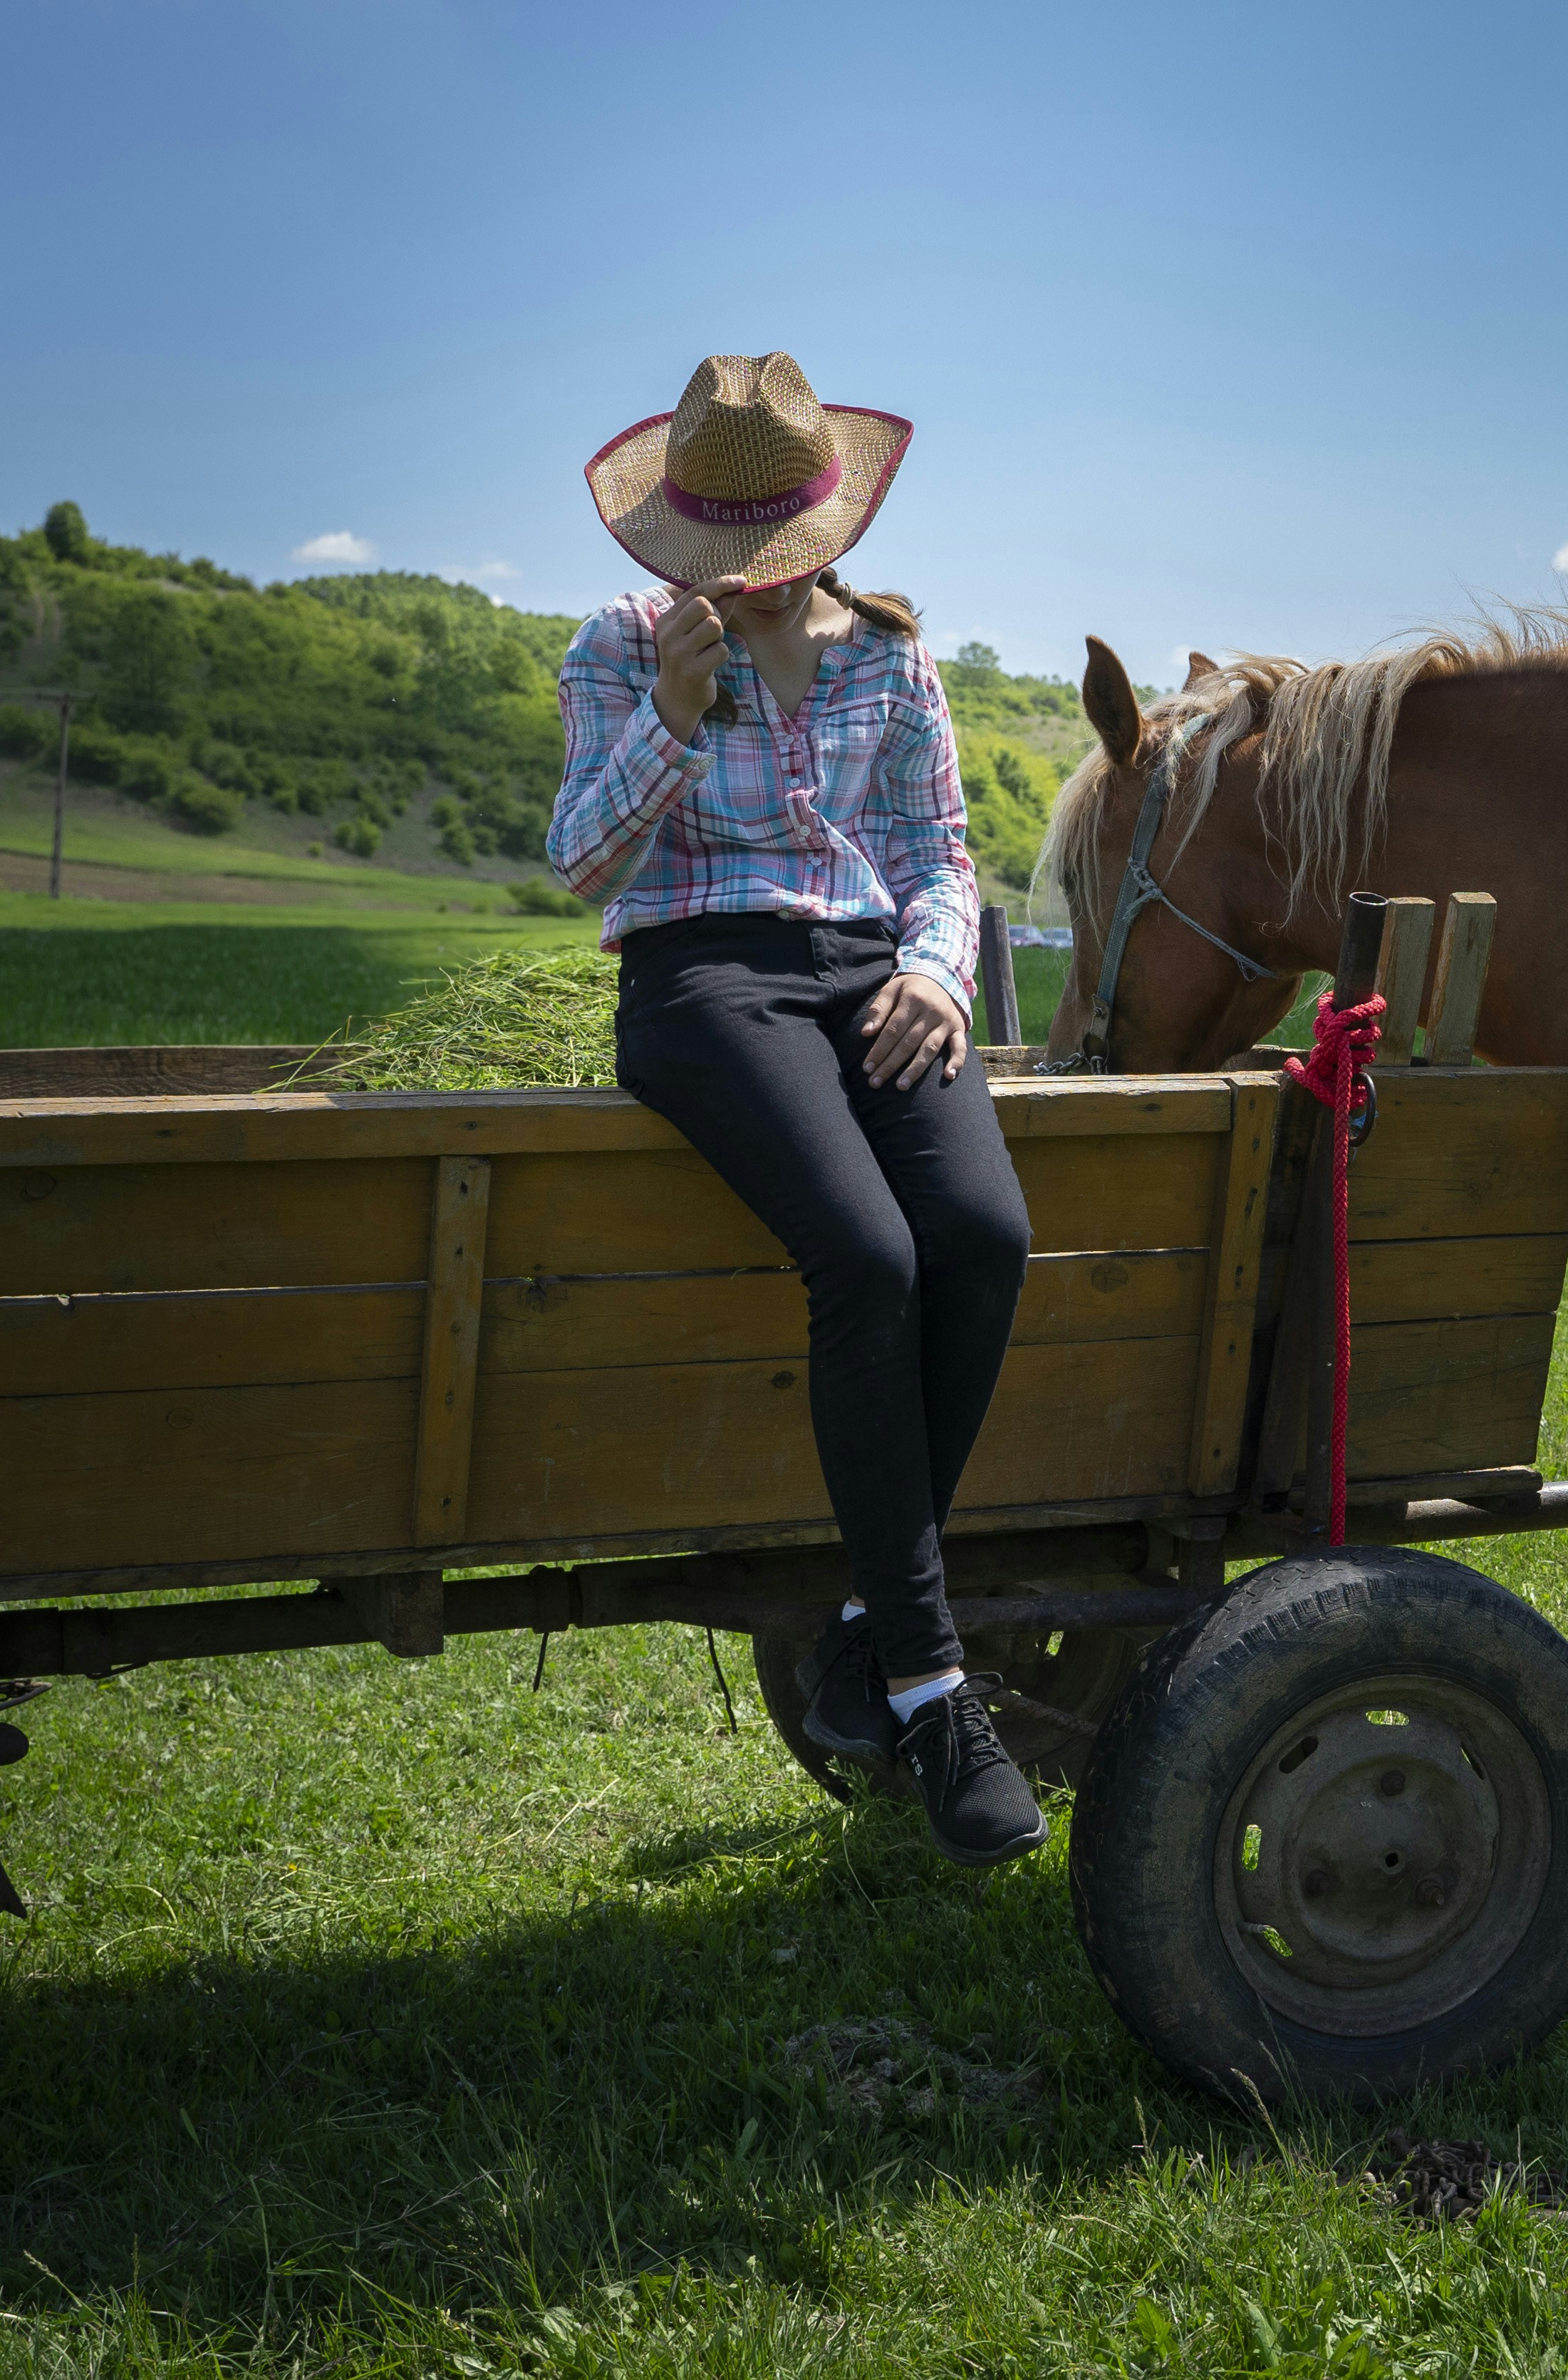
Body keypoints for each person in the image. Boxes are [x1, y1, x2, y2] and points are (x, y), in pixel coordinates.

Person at [551, 351, 1040, 1863]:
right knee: (869, 1256)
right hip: (703, 981)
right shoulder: (624, 647)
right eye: (725, 562)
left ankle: (853, 1631)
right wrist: (676, 717)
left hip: (870, 972)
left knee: (980, 1232)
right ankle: (933, 1687)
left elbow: (942, 852)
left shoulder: (895, 660)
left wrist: (942, 976)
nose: (752, 585)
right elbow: (579, 863)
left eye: (776, 560)